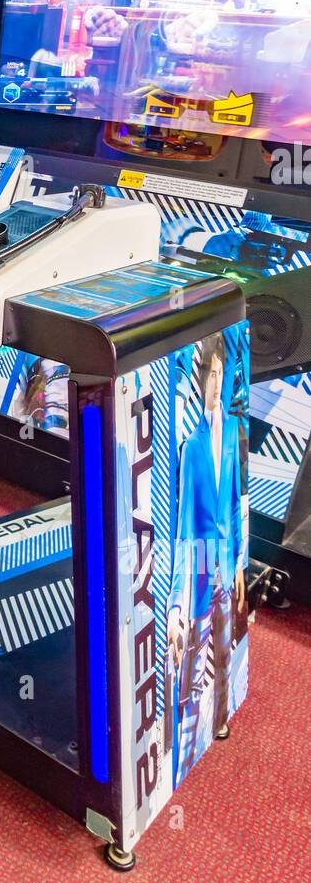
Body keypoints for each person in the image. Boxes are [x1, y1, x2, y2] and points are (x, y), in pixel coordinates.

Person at [167, 333, 246, 783]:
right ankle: (180, 751)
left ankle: (220, 719)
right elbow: (181, 528)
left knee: (224, 647)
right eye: (207, 375)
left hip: (224, 564)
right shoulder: (190, 446)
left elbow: (234, 502)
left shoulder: (232, 434)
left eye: (218, 374)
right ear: (199, 380)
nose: (214, 383)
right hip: (195, 567)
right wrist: (176, 604)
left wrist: (237, 563)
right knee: (191, 663)